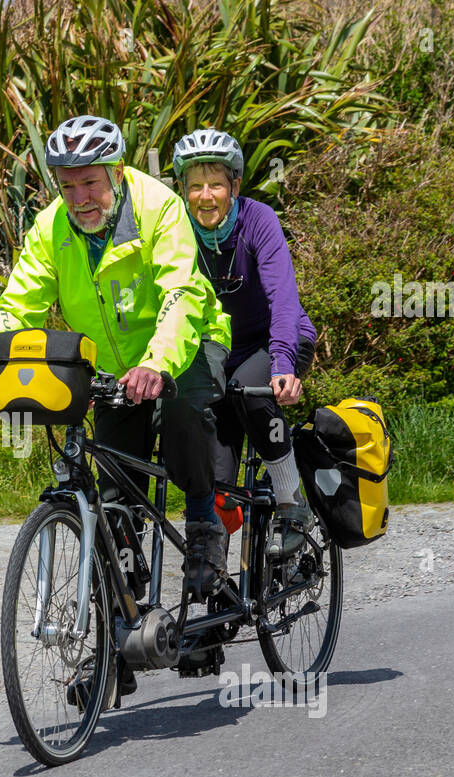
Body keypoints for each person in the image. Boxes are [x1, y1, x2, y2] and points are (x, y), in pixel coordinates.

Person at [0, 113, 233, 609]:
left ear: (118, 173)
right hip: (113, 369)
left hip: (189, 343)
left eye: (89, 182)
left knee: (183, 410)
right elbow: (17, 307)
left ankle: (202, 525)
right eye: (67, 186)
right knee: (113, 495)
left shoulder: (159, 208)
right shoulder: (51, 229)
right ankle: (120, 625)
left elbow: (183, 294)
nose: (79, 197)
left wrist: (157, 364)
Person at [171, 128, 318, 557]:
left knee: (250, 393)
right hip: (218, 351)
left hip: (280, 339)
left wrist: (283, 364)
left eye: (216, 183)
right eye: (195, 185)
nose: (205, 195)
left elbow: (283, 299)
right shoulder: (177, 229)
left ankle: (292, 504)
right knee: (211, 464)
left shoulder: (259, 219)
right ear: (183, 189)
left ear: (234, 185)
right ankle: (217, 583)